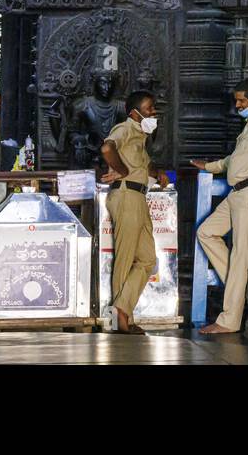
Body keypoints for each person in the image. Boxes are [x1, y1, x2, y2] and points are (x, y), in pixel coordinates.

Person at [192, 80, 248, 335]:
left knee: (241, 256)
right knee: (206, 232)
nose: (238, 105)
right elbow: (234, 160)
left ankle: (229, 320)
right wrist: (208, 166)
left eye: (241, 101)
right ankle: (240, 290)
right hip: (238, 193)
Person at [100, 90, 167, 335]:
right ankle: (121, 319)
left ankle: (122, 309)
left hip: (138, 197)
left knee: (147, 259)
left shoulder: (139, 136)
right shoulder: (125, 128)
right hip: (126, 195)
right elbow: (107, 148)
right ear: (134, 113)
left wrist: (157, 172)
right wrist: (122, 170)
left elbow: (144, 164)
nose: (154, 112)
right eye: (149, 108)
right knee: (126, 259)